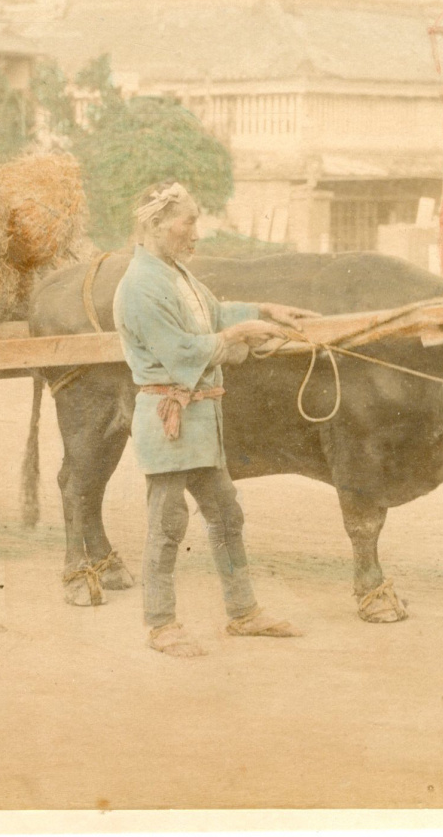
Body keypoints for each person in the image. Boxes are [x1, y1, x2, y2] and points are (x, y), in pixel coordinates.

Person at [113, 181, 320, 657]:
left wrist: (264, 310)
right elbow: (182, 350)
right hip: (169, 421)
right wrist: (239, 334)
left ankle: (243, 612)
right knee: (168, 523)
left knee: (226, 513)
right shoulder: (140, 285)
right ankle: (161, 625)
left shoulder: (175, 274)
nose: (195, 232)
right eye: (188, 221)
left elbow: (214, 312)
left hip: (200, 422)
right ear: (156, 224)